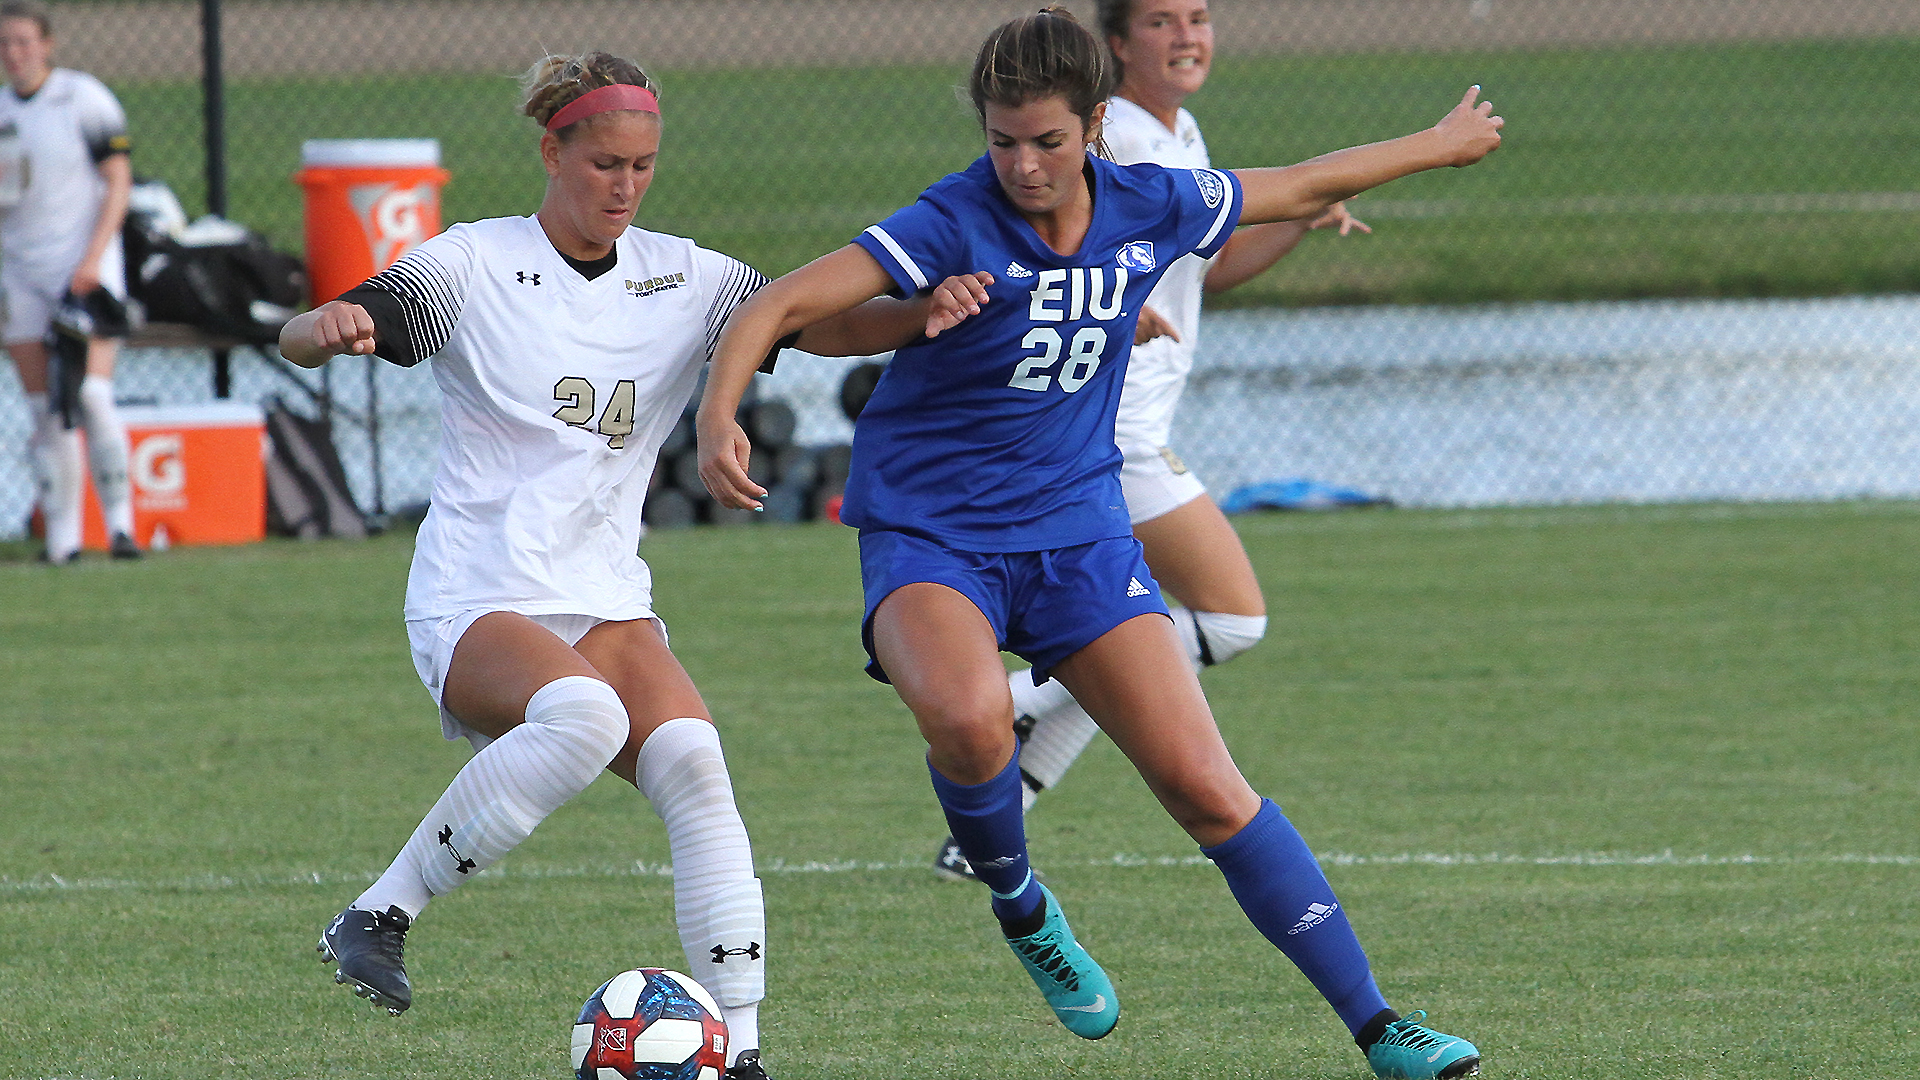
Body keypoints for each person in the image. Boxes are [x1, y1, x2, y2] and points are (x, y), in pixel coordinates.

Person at [696, 10, 1500, 1079]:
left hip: (1078, 532)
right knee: (973, 720)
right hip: (935, 532)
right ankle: (1021, 904)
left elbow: (1303, 184)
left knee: (1210, 790)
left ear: (1093, 131)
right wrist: (719, 419)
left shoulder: (1150, 202)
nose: (1022, 165)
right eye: (1002, 141)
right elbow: (784, 307)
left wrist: (1436, 145)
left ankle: (1381, 1027)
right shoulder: (953, 218)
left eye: (1046, 142)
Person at [280, 51, 980, 1080]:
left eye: (643, 165)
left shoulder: (684, 277)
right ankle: (378, 914)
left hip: (608, 599)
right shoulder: (474, 264)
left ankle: (740, 1052)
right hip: (480, 594)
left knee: (699, 768)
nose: (625, 185)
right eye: (605, 161)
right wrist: (321, 326)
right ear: (551, 149)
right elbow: (325, 326)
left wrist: (925, 314)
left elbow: (810, 320)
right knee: (589, 717)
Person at [931, 0, 1373, 882]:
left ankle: (1000, 808)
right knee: (1228, 618)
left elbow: (1202, 272)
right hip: (1106, 427)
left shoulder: (1177, 132)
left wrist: (1297, 219)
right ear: (1116, 47)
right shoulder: (1118, 138)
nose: (1187, 36)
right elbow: (1059, 256)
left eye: (1199, 17)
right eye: (1162, 21)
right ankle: (1001, 707)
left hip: (1135, 423)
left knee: (1140, 625)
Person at [0, 0, 139, 563]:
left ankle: (123, 528)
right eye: (6, 44)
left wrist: (92, 261)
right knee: (44, 409)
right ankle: (63, 540)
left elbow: (118, 181)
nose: (15, 53)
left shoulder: (83, 98)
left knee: (91, 395)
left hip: (84, 266)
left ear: (47, 44)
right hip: (19, 271)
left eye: (24, 42)